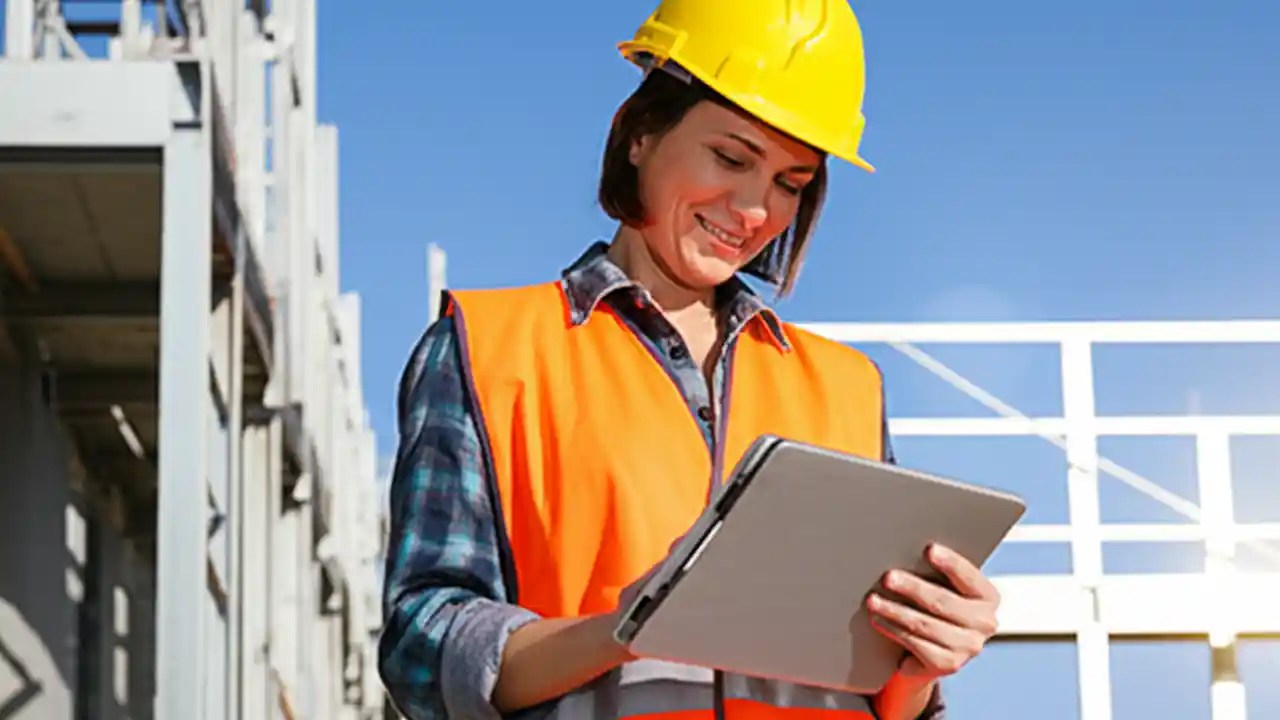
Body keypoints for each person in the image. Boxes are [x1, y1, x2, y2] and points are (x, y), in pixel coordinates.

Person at [379, 1, 1003, 718]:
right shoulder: (487, 349)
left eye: (791, 183)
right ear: (640, 132)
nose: (755, 211)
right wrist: (627, 627)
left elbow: (879, 689)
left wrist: (922, 664)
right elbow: (422, 648)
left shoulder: (848, 388)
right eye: (731, 158)